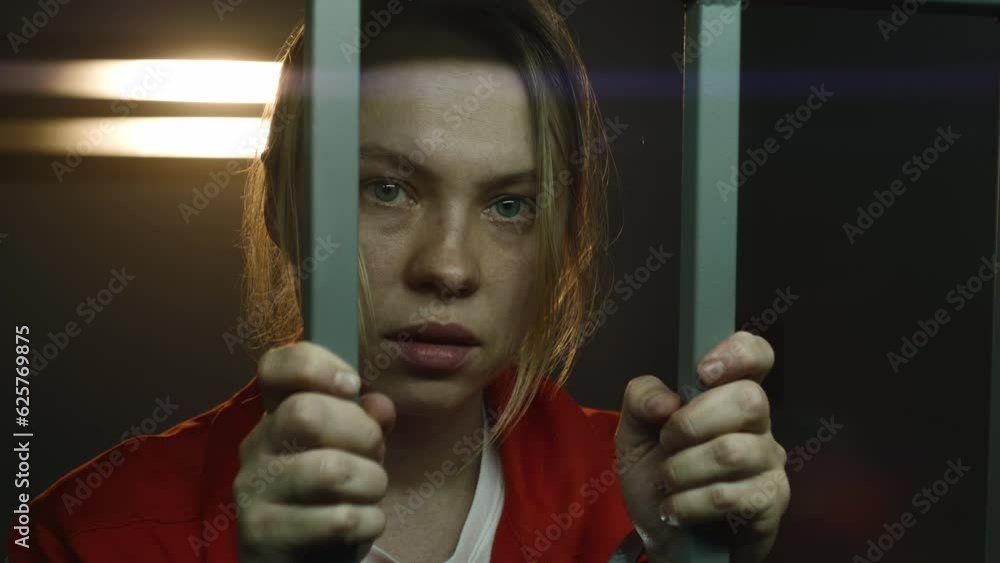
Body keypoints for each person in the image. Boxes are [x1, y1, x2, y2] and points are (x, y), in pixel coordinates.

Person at [9, 1, 789, 562]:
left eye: (510, 205)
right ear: (287, 200)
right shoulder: (89, 532)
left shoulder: (649, 496)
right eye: (389, 188)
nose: (448, 266)